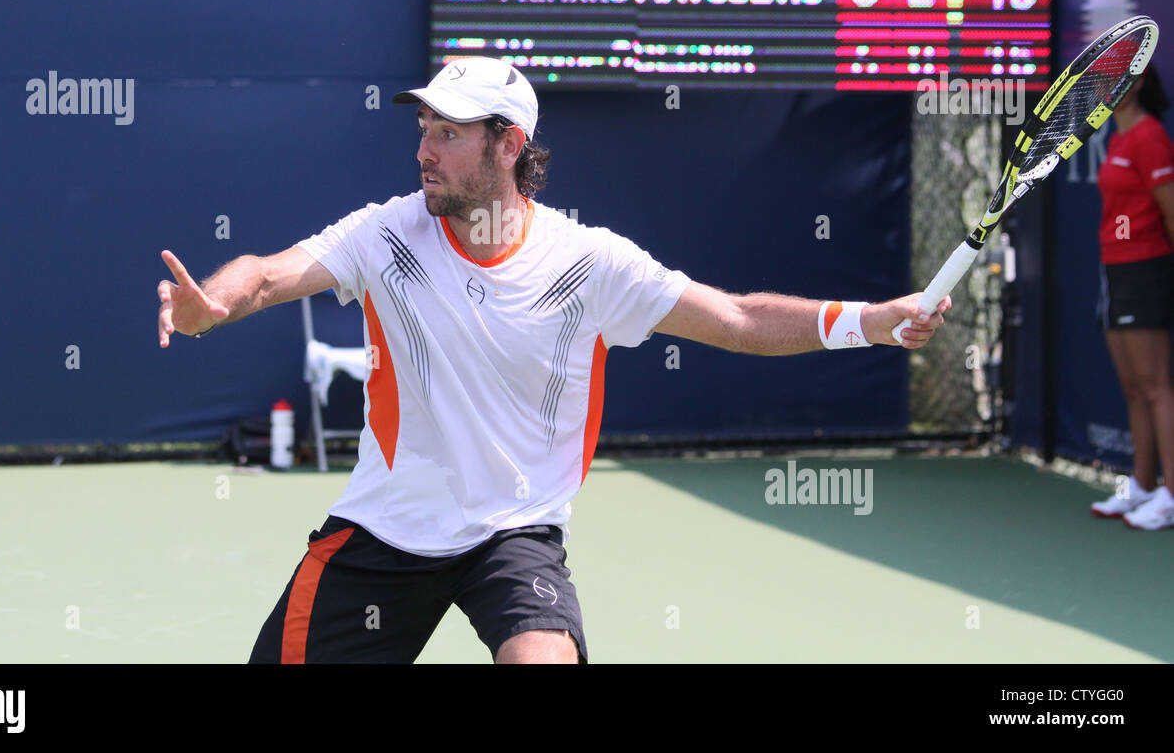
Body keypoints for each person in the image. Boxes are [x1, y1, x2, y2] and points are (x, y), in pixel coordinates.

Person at [156, 56, 951, 663]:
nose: (426, 151)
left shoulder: (588, 263)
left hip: (513, 534)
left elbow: (737, 317)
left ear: (508, 144)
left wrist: (871, 323)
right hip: (386, 529)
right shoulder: (386, 234)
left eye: (449, 134)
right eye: (424, 130)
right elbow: (265, 272)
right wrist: (214, 307)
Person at [1090, 64, 1174, 530]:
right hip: (1114, 273)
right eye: (1102, 80)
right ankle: (1141, 485)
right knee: (1133, 387)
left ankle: (1172, 494)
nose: (1105, 87)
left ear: (1138, 81)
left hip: (1146, 270)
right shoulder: (1118, 138)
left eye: (1116, 78)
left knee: (1157, 384)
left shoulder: (1150, 138)